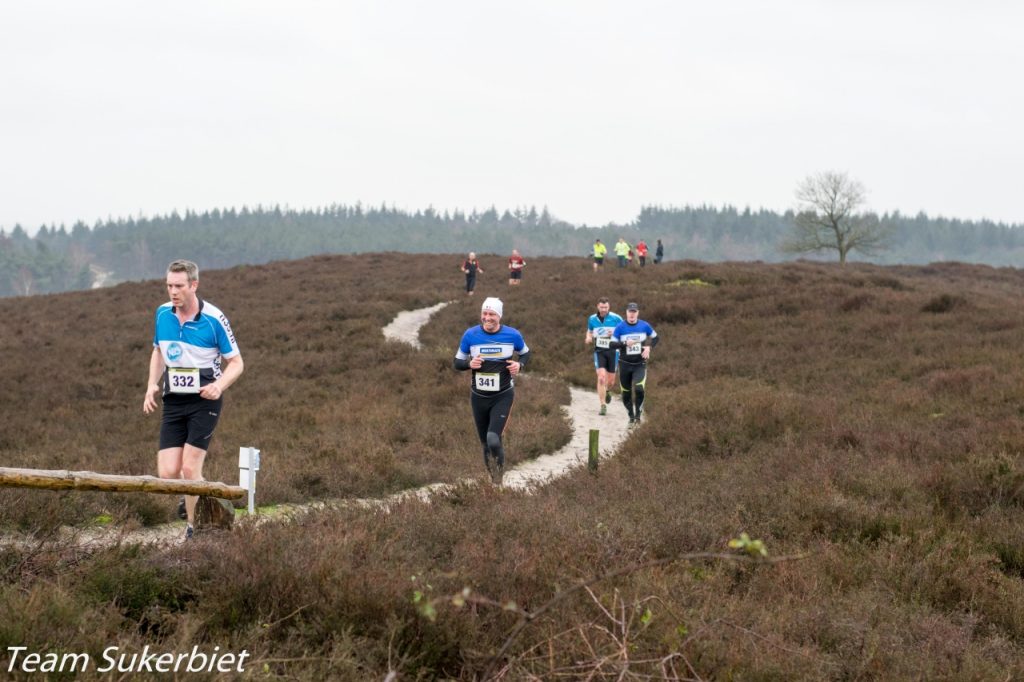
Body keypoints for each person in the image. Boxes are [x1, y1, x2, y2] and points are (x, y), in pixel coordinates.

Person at [143, 260, 244, 540]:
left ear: (194, 285)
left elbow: (236, 363)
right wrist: (152, 384)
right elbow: (158, 352)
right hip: (174, 401)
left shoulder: (214, 319)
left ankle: (192, 527)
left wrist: (219, 386)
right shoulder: (162, 313)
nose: (173, 291)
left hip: (204, 401)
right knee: (167, 473)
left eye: (179, 286)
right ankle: (192, 493)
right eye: (169, 286)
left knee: (190, 469)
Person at [453, 297, 530, 485]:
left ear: (499, 316)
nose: (487, 318)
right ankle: (493, 480)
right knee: (486, 444)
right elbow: (457, 363)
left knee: (493, 439)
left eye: (491, 314)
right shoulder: (470, 335)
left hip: (502, 396)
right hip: (478, 397)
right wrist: (469, 363)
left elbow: (526, 353)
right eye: (484, 314)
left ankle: (498, 482)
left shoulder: (512, 335)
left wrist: (520, 365)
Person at [611, 302, 658, 427]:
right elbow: (612, 344)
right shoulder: (620, 327)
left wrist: (648, 347)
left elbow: (656, 338)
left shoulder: (644, 325)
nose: (632, 314)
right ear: (626, 313)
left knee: (639, 388)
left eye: (634, 312)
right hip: (624, 364)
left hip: (639, 364)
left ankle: (638, 415)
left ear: (637, 313)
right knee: (626, 392)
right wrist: (625, 343)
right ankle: (631, 417)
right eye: (630, 312)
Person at [585, 297, 623, 416]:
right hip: (599, 351)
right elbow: (590, 330)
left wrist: (616, 332)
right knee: (601, 377)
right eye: (602, 307)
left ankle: (607, 391)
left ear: (609, 307)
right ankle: (602, 405)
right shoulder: (592, 318)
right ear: (598, 306)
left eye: (606, 307)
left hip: (613, 351)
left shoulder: (616, 318)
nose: (604, 309)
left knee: (611, 381)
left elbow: (625, 331)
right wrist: (588, 337)